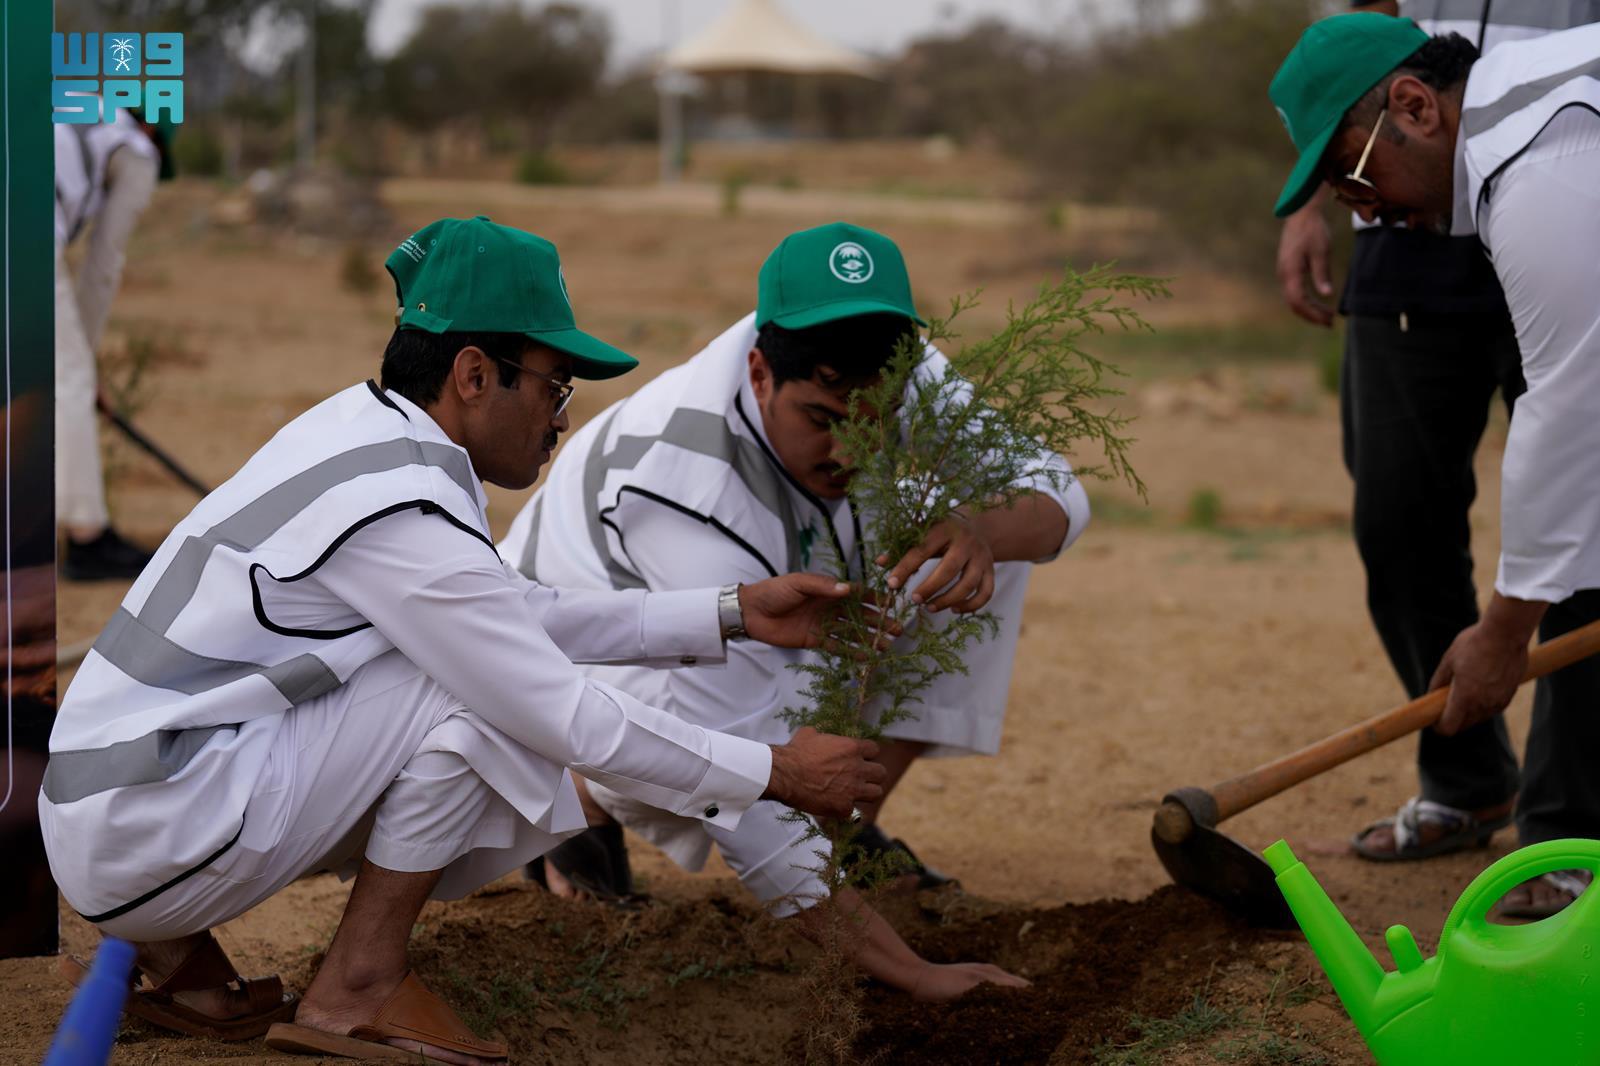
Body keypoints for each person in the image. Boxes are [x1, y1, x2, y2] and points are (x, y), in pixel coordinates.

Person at [41, 216, 891, 1065]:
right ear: (476, 375)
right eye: (556, 386)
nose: (561, 418)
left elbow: (512, 609)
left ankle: (186, 967)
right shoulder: (399, 505)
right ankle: (360, 982)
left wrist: (736, 609)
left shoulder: (364, 437)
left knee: (471, 661)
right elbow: (561, 711)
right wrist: (777, 771)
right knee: (481, 693)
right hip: (150, 835)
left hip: (114, 813)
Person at [498, 222, 1086, 982]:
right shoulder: (680, 483)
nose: (848, 453)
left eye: (875, 424)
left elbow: (1058, 493)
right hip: (595, 647)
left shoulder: (898, 369)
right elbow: (741, 774)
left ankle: (841, 832)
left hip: (774, 571)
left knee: (977, 556)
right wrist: (912, 973)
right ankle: (578, 805)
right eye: (823, 420)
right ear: (761, 372)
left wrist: (975, 528)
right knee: (682, 737)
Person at [1274, 1, 1600, 917]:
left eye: (1354, 180)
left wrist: (1504, 633)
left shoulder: (1545, 173)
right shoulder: (1505, 150)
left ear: (1415, 108)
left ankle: (1574, 828)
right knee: (1399, 514)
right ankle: (1472, 784)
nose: (1361, 211)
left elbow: (1571, 424)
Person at [55, 105, 174, 580]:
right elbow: (103, 265)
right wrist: (87, 368)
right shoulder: (138, 151)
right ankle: (88, 539)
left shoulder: (74, 111)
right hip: (21, 224)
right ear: (152, 128)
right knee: (69, 376)